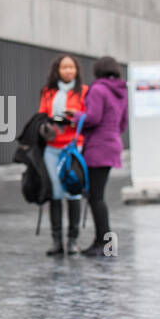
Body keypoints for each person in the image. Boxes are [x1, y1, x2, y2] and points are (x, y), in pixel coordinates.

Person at [37, 55, 87, 256]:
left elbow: (88, 116)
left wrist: (72, 118)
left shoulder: (83, 92)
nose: (68, 71)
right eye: (64, 67)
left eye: (71, 67)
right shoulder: (48, 92)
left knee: (72, 190)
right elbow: (40, 115)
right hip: (52, 147)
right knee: (55, 193)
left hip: (73, 147)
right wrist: (46, 125)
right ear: (57, 70)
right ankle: (57, 241)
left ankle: (73, 240)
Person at [78, 57, 128, 257]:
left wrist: (74, 116)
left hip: (97, 149)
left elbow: (93, 117)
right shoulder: (120, 91)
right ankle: (104, 243)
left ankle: (104, 243)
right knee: (98, 197)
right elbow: (122, 123)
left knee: (96, 198)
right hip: (112, 146)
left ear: (97, 71)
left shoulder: (98, 90)